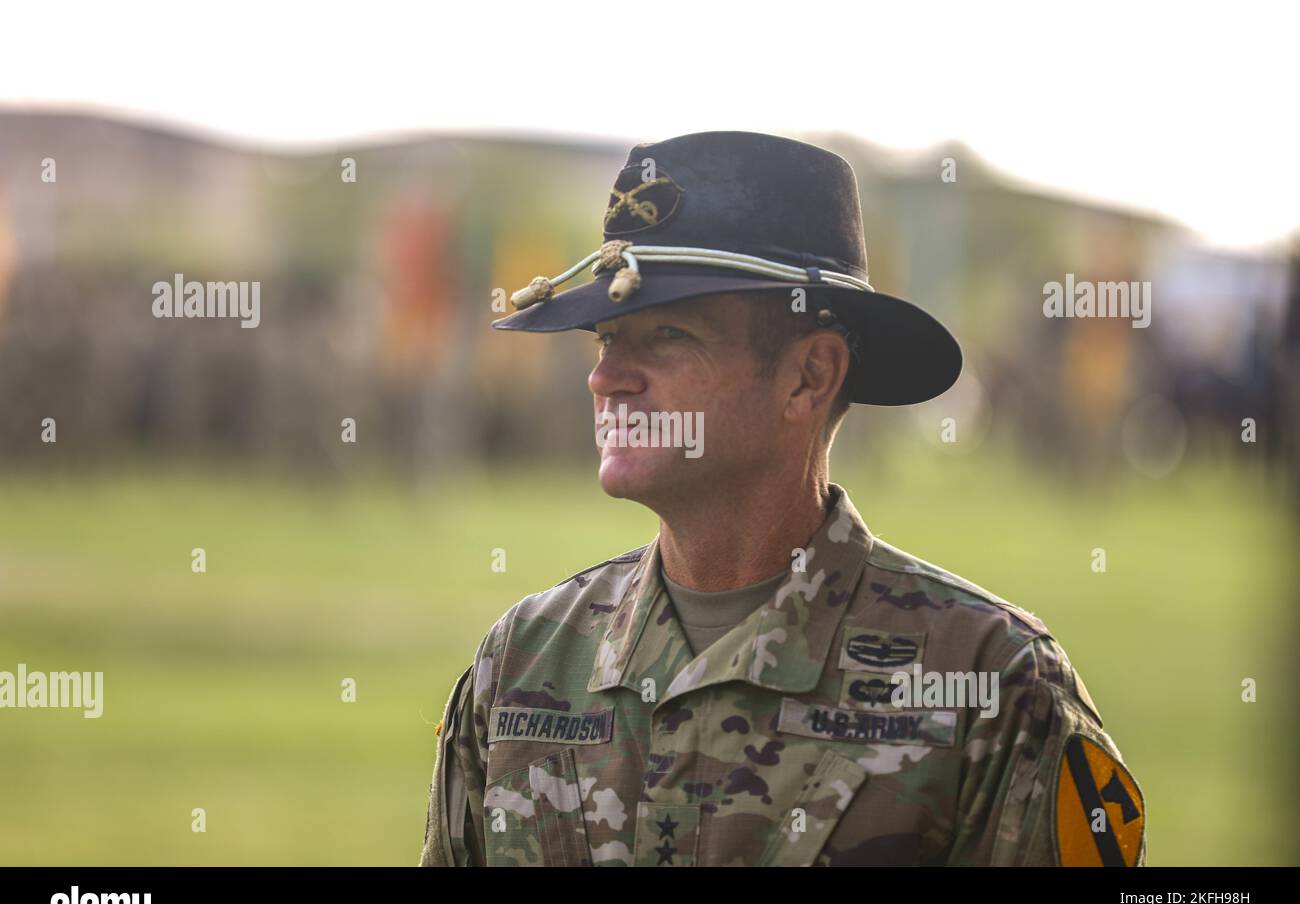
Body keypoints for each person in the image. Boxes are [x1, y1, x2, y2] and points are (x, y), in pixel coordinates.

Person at [419, 131, 1145, 866]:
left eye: (668, 335)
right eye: (607, 339)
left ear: (808, 377)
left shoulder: (992, 686)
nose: (608, 379)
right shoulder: (523, 665)